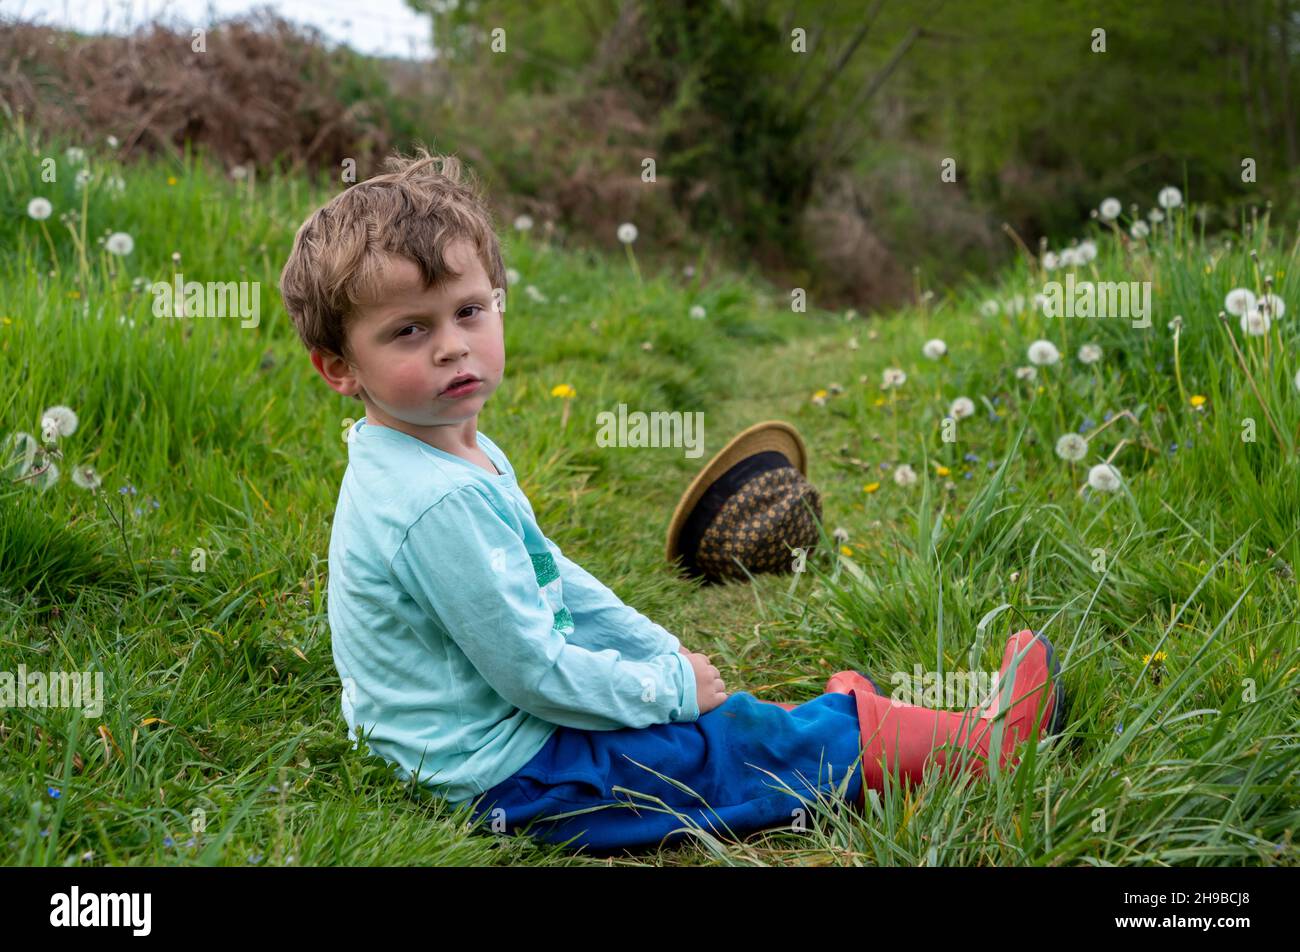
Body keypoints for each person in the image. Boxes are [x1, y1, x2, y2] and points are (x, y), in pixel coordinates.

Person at [278, 147, 1066, 854]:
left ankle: (855, 727)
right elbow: (530, 673)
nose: (452, 344)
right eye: (409, 331)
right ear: (339, 367)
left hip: (464, 743)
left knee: (716, 719)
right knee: (727, 748)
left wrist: (650, 647)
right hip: (511, 779)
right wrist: (666, 688)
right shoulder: (433, 504)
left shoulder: (443, 447)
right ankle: (979, 742)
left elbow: (548, 574)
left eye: (469, 312)